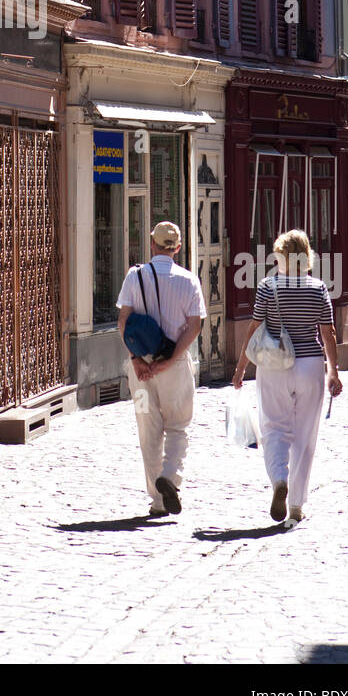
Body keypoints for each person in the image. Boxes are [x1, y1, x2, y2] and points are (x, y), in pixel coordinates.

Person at [232, 228, 343, 527]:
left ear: (280, 255)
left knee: (273, 428)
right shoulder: (318, 288)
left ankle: (279, 479)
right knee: (305, 437)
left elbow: (254, 328)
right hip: (309, 365)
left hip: (274, 365)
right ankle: (295, 505)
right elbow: (328, 333)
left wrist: (241, 367)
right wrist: (333, 371)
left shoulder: (268, 286)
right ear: (306, 256)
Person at [117, 221, 205, 517]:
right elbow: (195, 325)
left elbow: (123, 322)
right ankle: (170, 477)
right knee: (178, 426)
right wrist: (170, 359)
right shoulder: (189, 280)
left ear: (152, 244)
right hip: (175, 366)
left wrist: (136, 360)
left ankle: (157, 499)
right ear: (177, 248)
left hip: (140, 370)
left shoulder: (134, 276)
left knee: (148, 430)